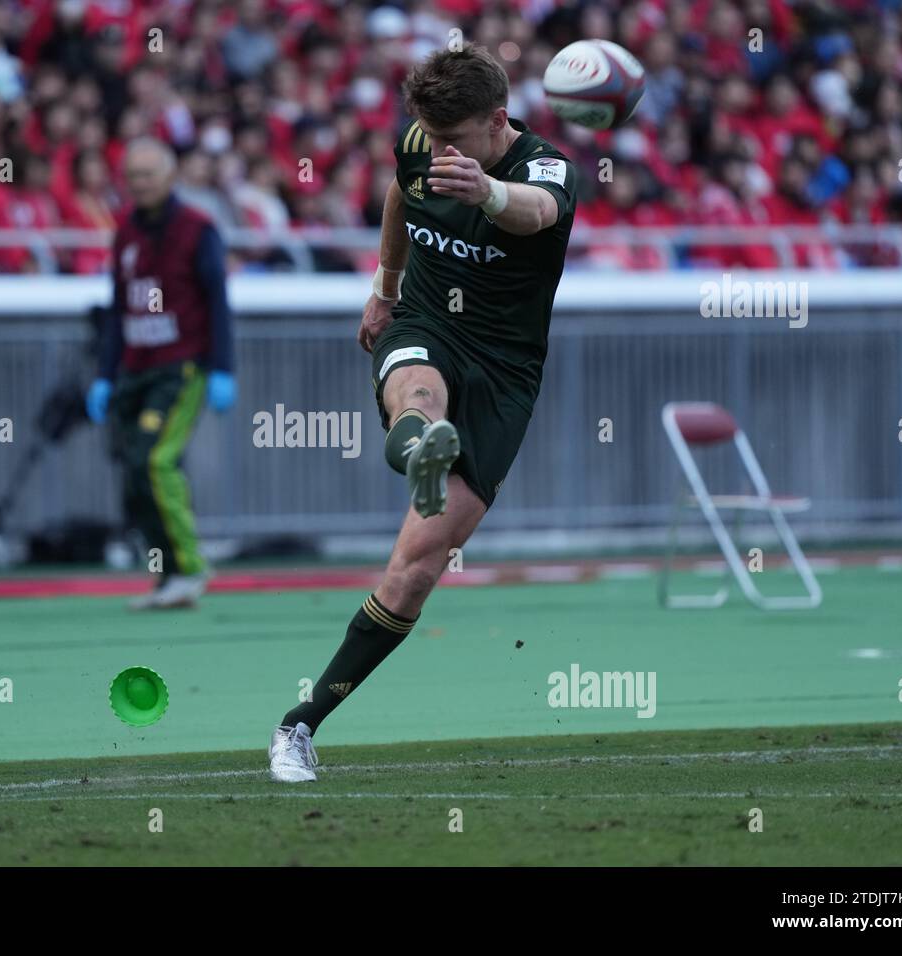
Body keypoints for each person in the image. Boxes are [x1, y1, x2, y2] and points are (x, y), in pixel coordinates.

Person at [267, 45, 579, 781]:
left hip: (504, 372)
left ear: (498, 121)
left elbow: (536, 214)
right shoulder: (422, 144)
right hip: (427, 324)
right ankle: (421, 442)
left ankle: (301, 721)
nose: (438, 152)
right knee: (418, 392)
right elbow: (402, 193)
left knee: (413, 571)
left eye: (454, 140)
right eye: (430, 137)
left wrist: (487, 194)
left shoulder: (546, 169)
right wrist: (384, 285)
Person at [86, 137, 236, 610]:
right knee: (134, 471)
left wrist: (221, 369)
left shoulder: (198, 229)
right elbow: (116, 309)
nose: (140, 184)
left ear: (170, 177)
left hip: (181, 369)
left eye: (149, 174)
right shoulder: (126, 232)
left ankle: (190, 567)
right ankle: (167, 573)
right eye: (133, 176)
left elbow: (218, 302)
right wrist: (105, 374)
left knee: (154, 461)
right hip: (136, 369)